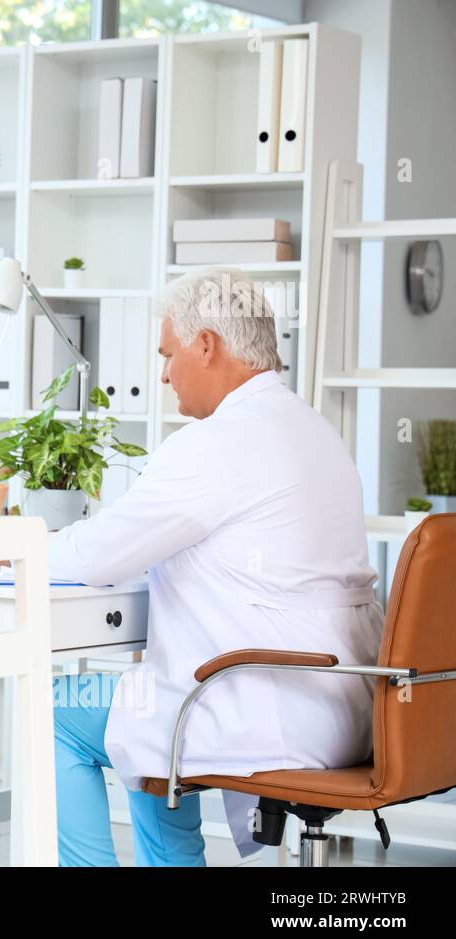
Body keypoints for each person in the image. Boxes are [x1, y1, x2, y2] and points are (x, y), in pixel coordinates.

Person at [47, 267, 383, 866]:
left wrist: (16, 547)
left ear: (207, 345)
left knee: (55, 715)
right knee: (145, 700)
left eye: (169, 353)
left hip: (271, 706)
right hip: (351, 705)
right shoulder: (318, 432)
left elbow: (96, 556)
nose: (163, 373)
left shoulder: (216, 443)